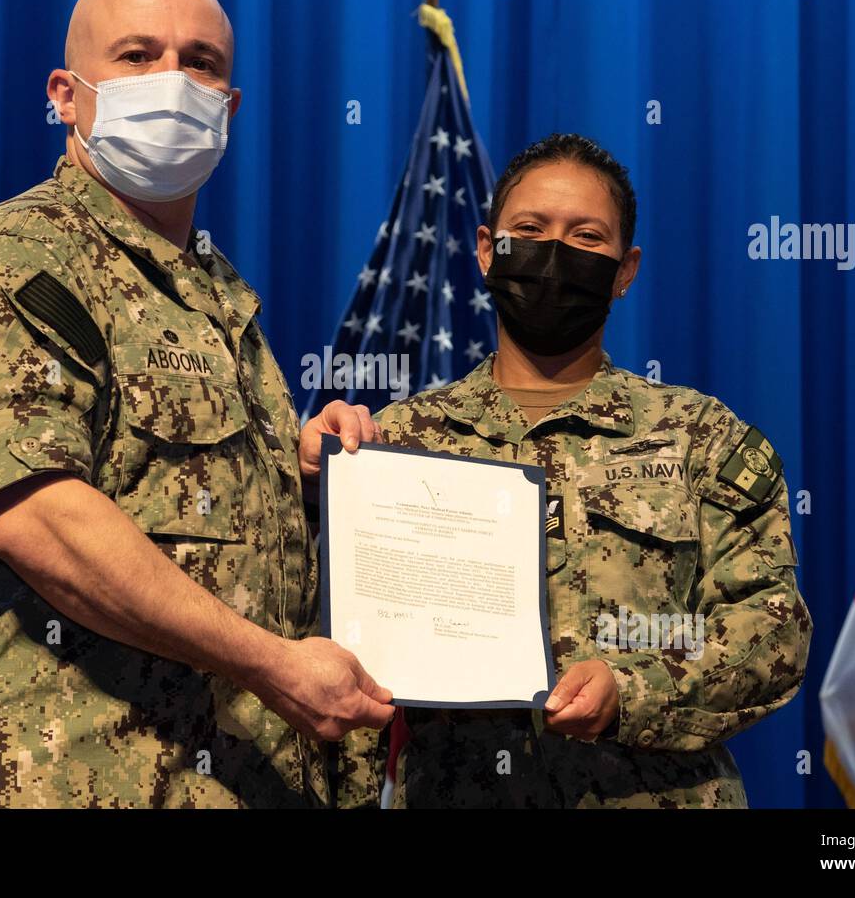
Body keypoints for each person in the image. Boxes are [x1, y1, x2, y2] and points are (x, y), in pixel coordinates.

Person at [0, 0, 392, 809]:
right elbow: (39, 518)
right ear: (67, 95)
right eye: (139, 55)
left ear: (231, 104)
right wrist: (274, 664)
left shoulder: (215, 294)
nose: (173, 80)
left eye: (202, 62)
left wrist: (292, 472)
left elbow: (167, 499)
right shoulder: (14, 258)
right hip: (41, 778)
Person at [343, 133, 812, 807]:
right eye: (528, 230)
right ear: (485, 250)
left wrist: (632, 688)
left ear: (626, 270)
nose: (554, 255)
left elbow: (774, 633)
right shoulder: (400, 441)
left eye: (587, 238)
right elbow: (352, 665)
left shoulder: (701, 437)